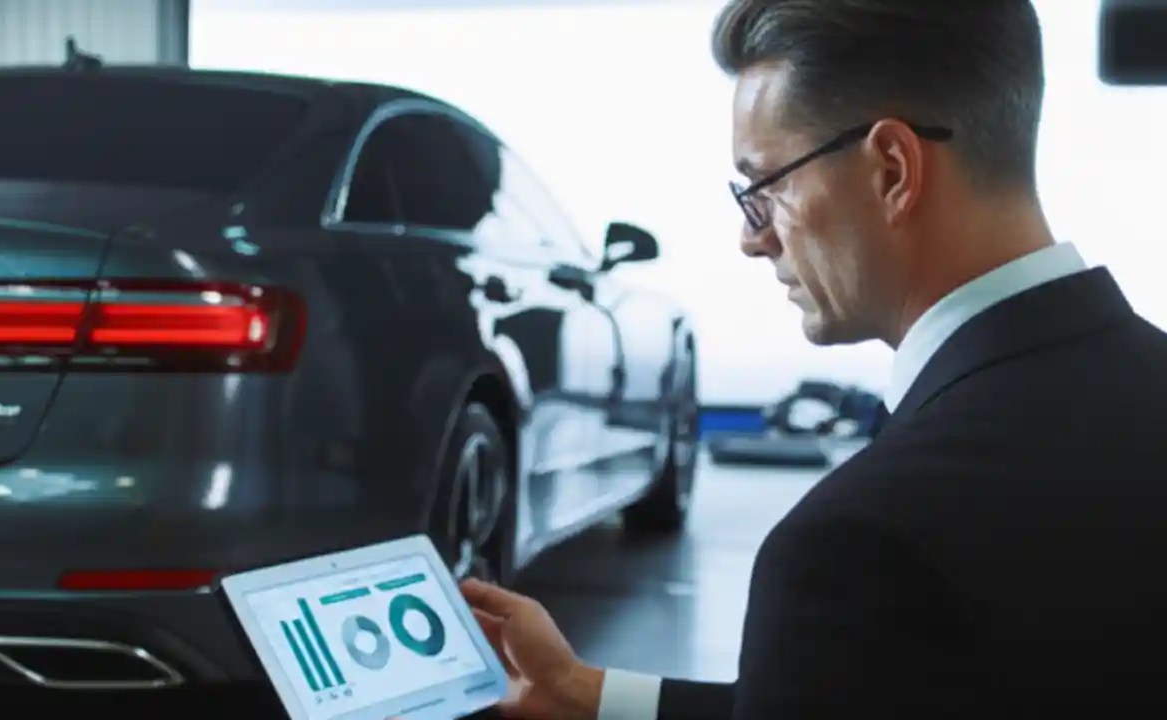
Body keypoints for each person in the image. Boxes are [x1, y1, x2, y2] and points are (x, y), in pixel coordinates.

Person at [459, 0, 1167, 717]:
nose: (751, 238)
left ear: (892, 169)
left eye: (764, 188)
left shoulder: (858, 544)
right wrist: (584, 694)